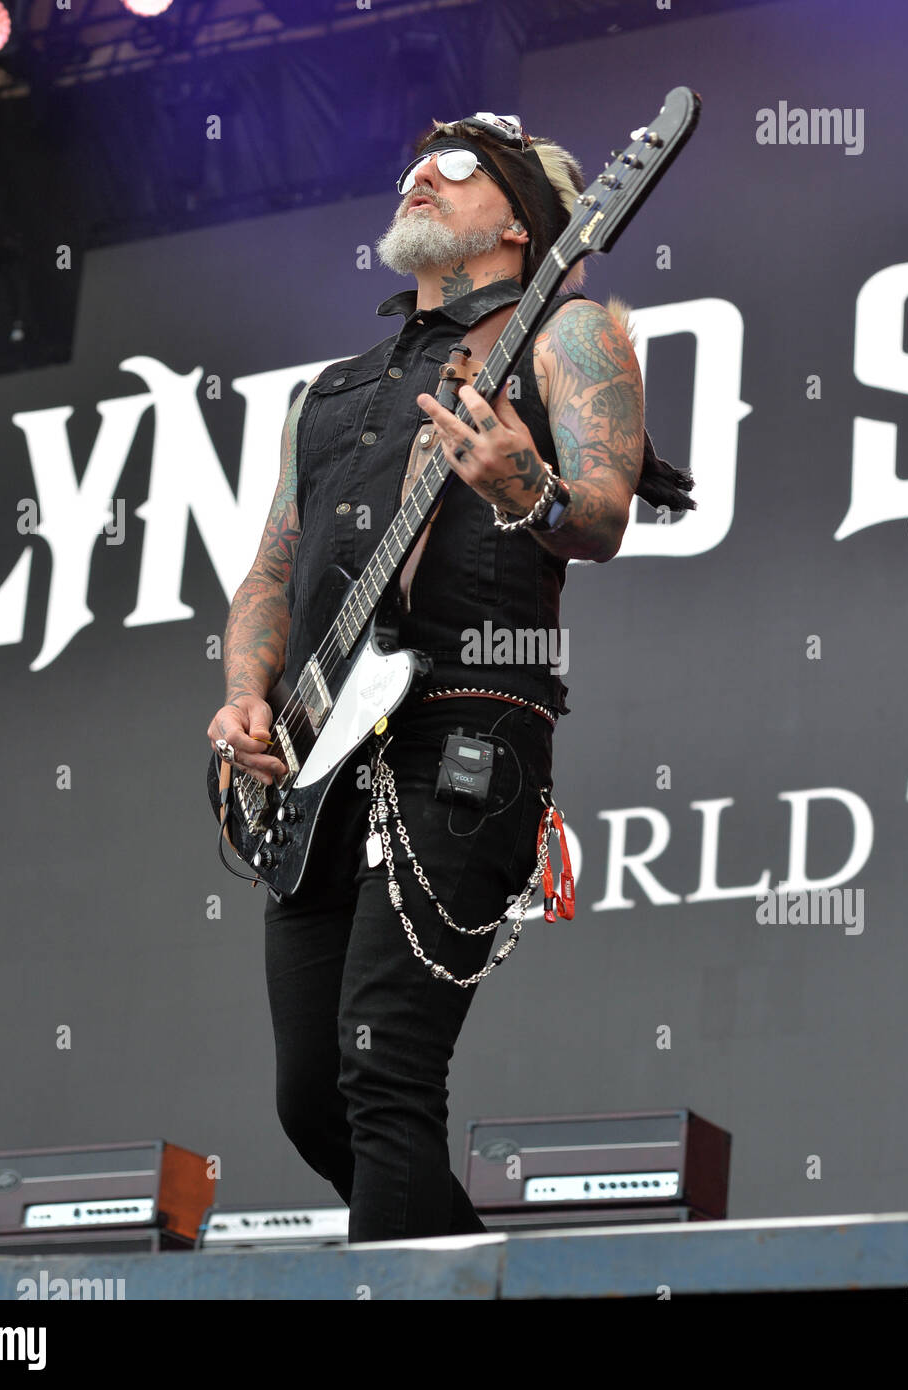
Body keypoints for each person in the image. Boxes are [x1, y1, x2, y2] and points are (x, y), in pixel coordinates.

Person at [205, 112, 693, 1243]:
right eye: (415, 158)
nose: (421, 170)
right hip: (315, 759)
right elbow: (271, 566)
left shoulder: (569, 334)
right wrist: (246, 694)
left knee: (384, 1077)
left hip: (467, 725)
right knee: (311, 1100)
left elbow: (604, 516)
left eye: (458, 165)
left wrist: (528, 490)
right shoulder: (327, 394)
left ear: (518, 219)